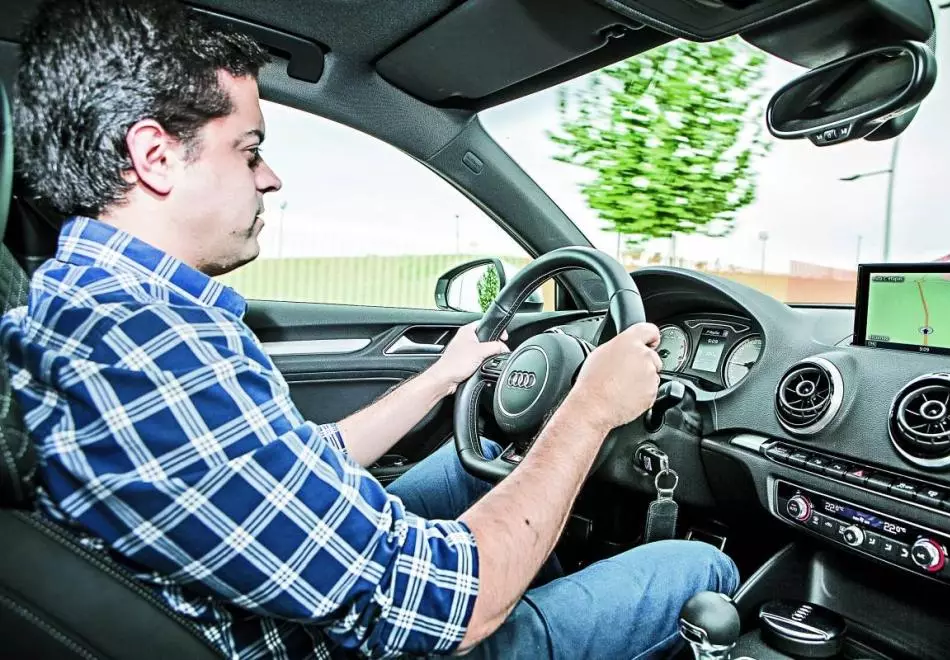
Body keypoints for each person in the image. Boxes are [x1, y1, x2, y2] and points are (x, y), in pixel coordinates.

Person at [1, 0, 738, 658]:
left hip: (284, 596)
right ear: (156, 156)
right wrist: (589, 411)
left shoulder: (85, 307)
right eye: (249, 149)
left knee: (473, 464)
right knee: (696, 571)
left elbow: (283, 467)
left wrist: (442, 379)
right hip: (341, 637)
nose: (271, 179)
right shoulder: (150, 345)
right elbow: (460, 603)